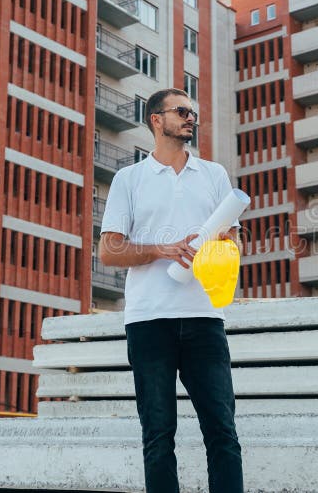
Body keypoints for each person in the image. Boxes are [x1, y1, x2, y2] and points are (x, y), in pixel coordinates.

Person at [99, 88, 244, 493]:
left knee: (223, 432)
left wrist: (216, 249)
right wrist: (161, 248)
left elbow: (231, 241)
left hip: (203, 318)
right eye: (182, 111)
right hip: (149, 321)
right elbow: (108, 251)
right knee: (159, 436)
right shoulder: (130, 179)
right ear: (156, 120)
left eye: (193, 112)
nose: (190, 118)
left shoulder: (214, 175)